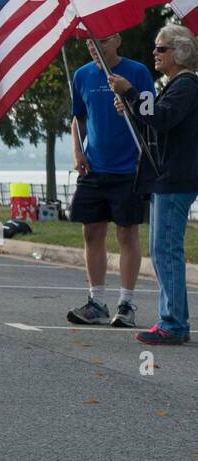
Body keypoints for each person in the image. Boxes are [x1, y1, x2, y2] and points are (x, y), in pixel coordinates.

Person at [109, 24, 198, 346]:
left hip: (175, 178)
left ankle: (173, 323)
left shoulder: (186, 85)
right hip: (166, 177)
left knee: (166, 250)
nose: (154, 54)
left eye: (161, 48)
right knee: (161, 250)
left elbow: (163, 119)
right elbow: (158, 121)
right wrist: (132, 109)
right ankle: (173, 319)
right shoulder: (177, 85)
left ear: (180, 52)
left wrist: (131, 93)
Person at [67, 34, 154, 327]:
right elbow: (77, 118)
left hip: (129, 168)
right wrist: (78, 151)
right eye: (90, 43)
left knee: (127, 234)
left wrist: (129, 103)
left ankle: (126, 304)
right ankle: (96, 302)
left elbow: (151, 112)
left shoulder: (137, 71)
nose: (95, 48)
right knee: (91, 232)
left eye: (101, 41)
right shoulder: (82, 75)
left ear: (117, 40)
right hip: (94, 169)